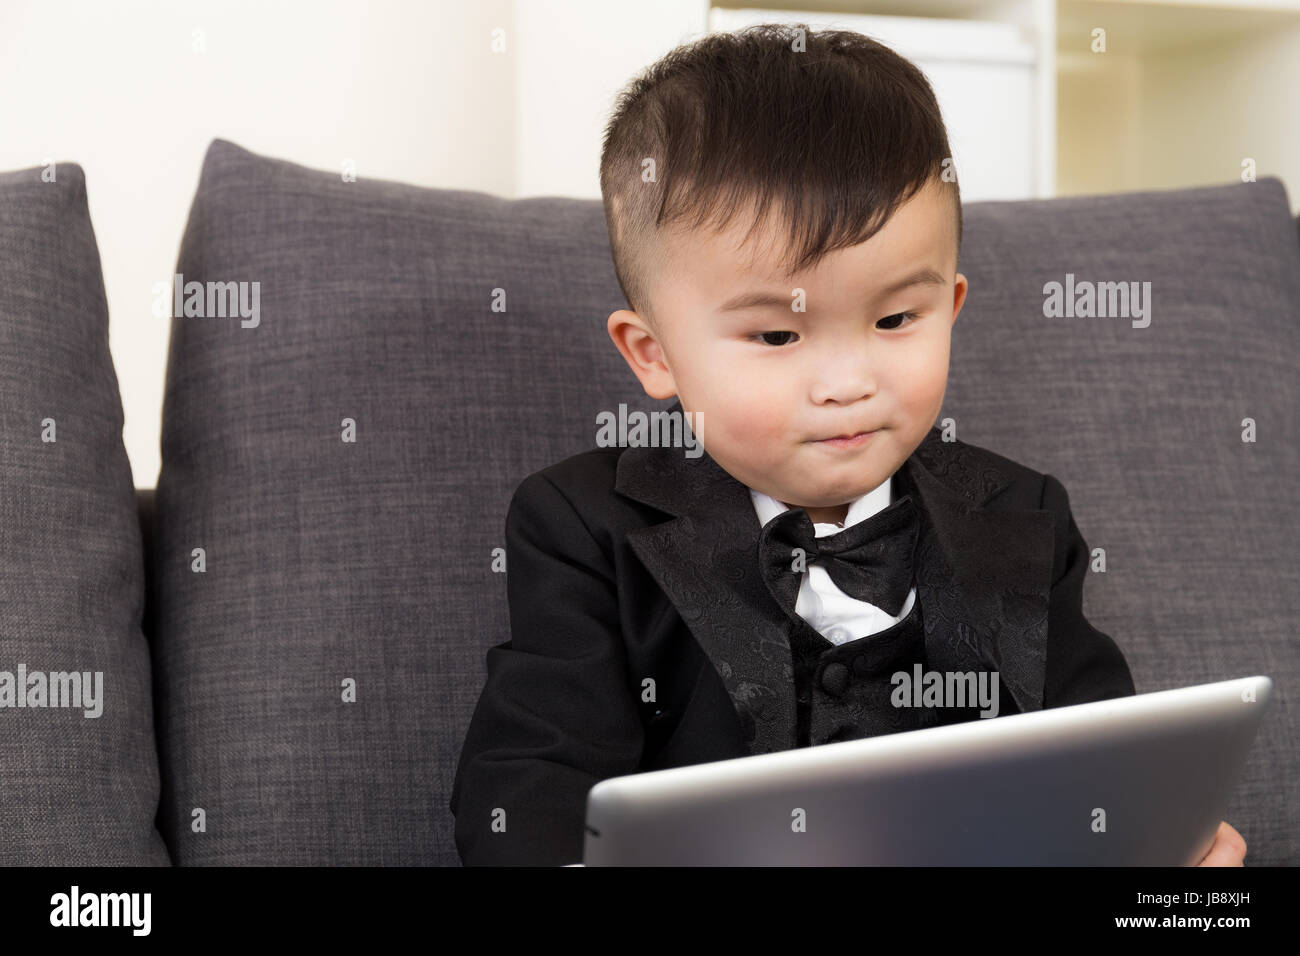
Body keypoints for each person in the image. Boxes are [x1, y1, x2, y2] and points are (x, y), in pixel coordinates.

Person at [448, 23, 1246, 868]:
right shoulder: (581, 525)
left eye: (896, 319)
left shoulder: (1020, 514)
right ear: (655, 355)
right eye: (776, 337)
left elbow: (1103, 754)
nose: (846, 382)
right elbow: (526, 788)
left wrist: (1161, 848)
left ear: (953, 305)